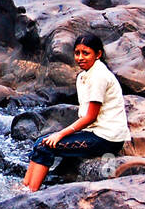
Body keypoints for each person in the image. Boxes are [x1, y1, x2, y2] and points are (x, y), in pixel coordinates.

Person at [22, 33, 130, 191]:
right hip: (95, 133)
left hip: (107, 138)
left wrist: (60, 134)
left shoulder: (99, 76)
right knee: (41, 143)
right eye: (77, 53)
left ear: (98, 54)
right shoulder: (85, 76)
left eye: (86, 53)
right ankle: (25, 186)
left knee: (45, 146)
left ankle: (30, 192)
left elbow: (91, 117)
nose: (80, 57)